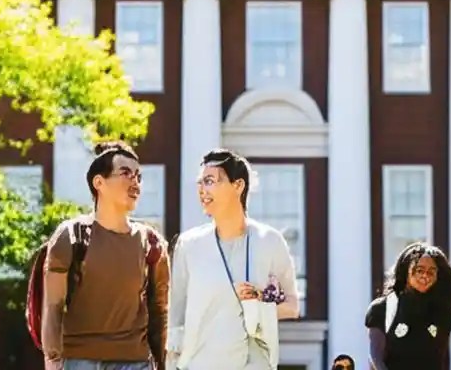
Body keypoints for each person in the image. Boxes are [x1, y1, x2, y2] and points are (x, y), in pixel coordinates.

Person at [41, 141, 170, 370]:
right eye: (126, 173)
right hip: (80, 361)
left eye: (138, 176)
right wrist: (52, 360)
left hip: (135, 362)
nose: (135, 182)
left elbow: (160, 310)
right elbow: (53, 306)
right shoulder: (71, 236)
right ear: (99, 182)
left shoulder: (151, 243)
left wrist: (162, 363)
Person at [167, 148, 300, 369]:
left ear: (238, 185)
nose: (201, 189)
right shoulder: (188, 245)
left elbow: (292, 306)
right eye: (200, 183)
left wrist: (258, 306)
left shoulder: (270, 240)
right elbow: (175, 318)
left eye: (209, 181)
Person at [364, 242, 451, 370]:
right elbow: (375, 358)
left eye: (431, 272)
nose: (425, 276)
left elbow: (443, 359)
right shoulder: (382, 308)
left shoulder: (443, 311)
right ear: (406, 271)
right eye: (419, 270)